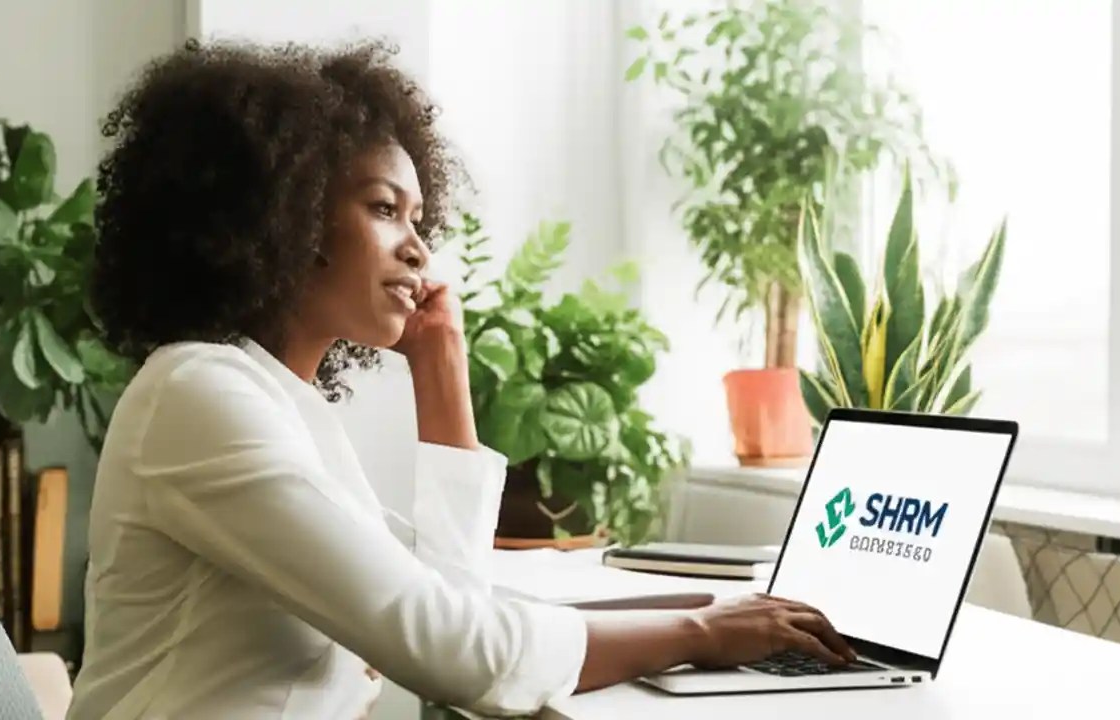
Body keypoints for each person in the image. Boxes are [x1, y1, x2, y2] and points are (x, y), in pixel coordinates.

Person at [67, 39, 855, 720]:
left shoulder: (282, 406)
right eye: (385, 209)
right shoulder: (198, 395)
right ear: (286, 216)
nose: (418, 250)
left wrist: (441, 368)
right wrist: (702, 634)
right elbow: (456, 653)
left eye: (420, 221)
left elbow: (453, 603)